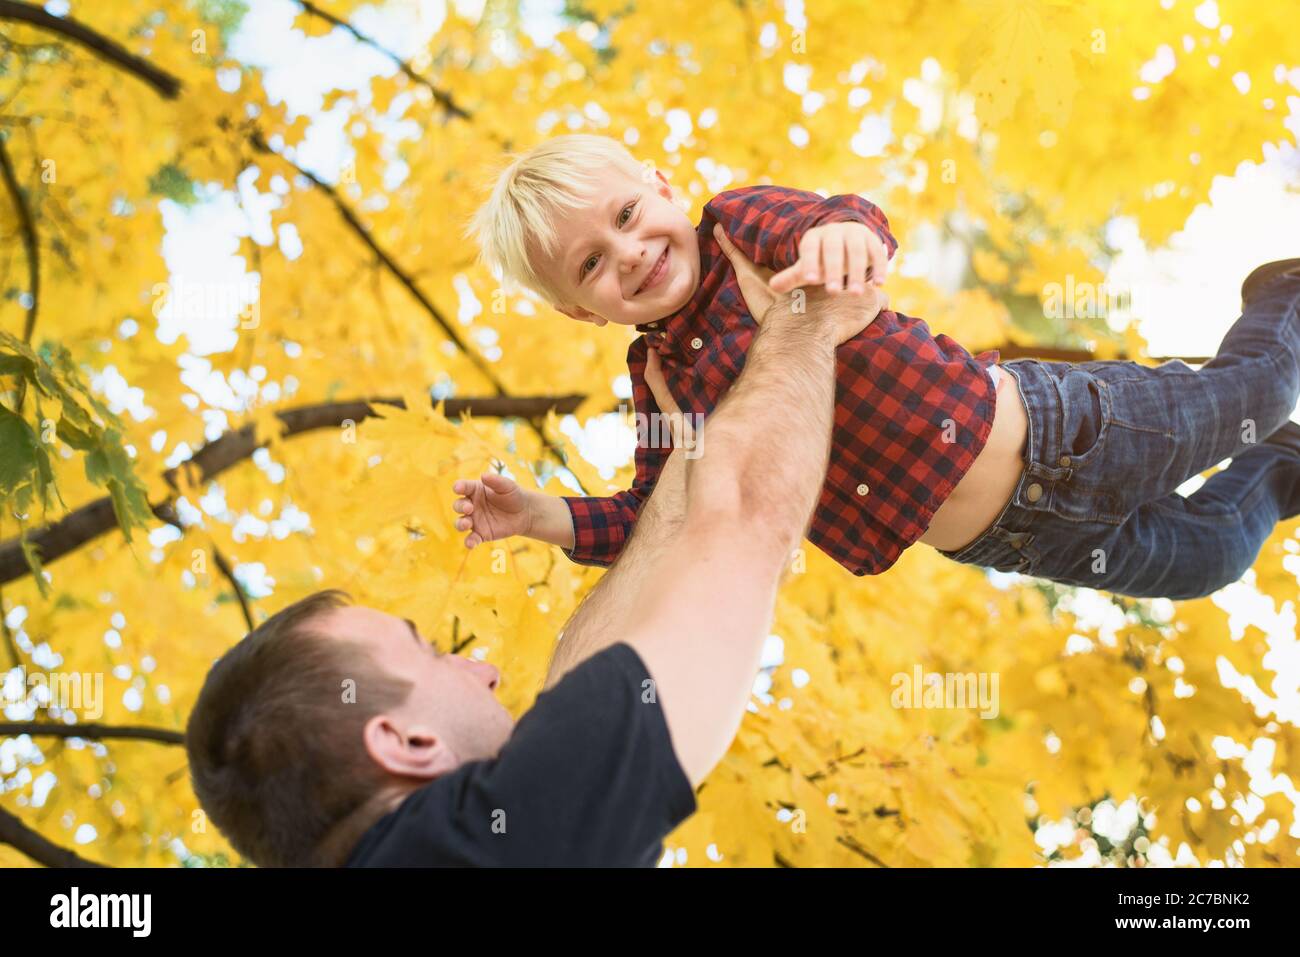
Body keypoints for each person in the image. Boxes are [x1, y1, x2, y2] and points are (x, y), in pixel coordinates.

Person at [184, 239, 880, 866]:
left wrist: (677, 473)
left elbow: (586, 700)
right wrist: (807, 315)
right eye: (429, 653)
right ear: (405, 742)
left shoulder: (476, 843)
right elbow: (744, 519)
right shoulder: (494, 842)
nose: (482, 667)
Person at [461, 132, 1300, 601]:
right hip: (1010, 536)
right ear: (582, 310)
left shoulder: (736, 230)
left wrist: (842, 238)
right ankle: (1283, 470)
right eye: (592, 265)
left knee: (1259, 390)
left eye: (629, 214)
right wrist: (544, 516)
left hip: (1062, 434)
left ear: (662, 185)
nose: (631, 251)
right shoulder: (660, 386)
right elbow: (651, 517)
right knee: (1211, 555)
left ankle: (1283, 293)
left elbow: (840, 216)